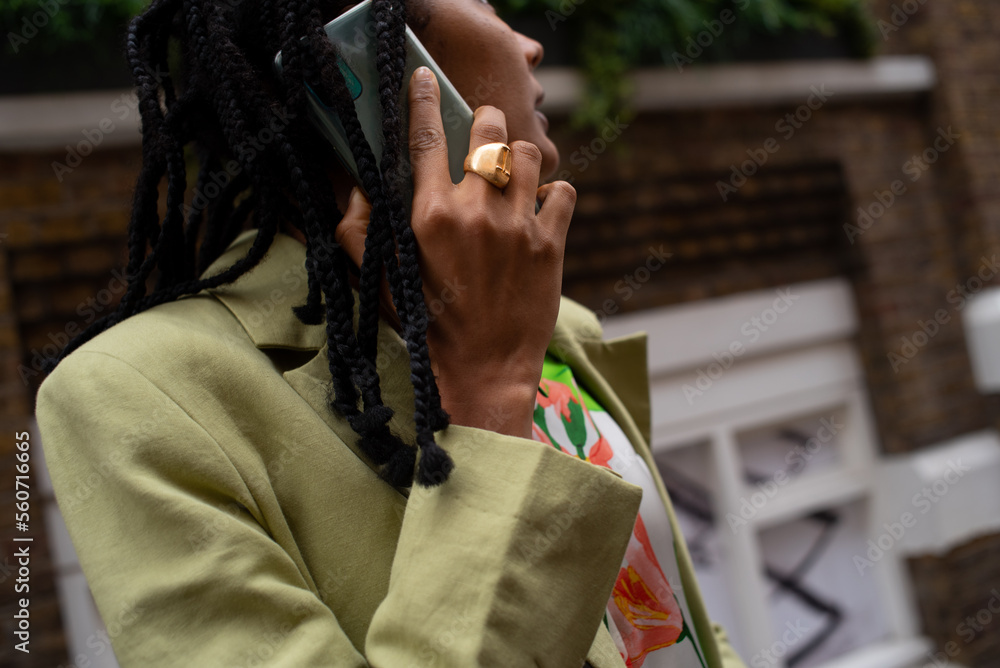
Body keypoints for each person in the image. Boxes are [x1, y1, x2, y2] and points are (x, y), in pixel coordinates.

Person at [36, 0, 747, 665]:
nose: (531, 44)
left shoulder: (550, 322)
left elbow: (669, 628)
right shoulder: (133, 397)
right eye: (488, 2)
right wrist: (489, 394)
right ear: (373, 61)